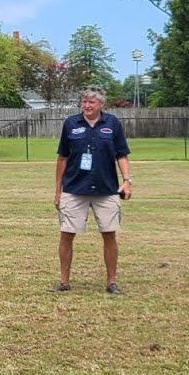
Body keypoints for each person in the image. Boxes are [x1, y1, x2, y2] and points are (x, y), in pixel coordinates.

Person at [52, 86, 131, 294]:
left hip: (106, 189)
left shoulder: (112, 124)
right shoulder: (71, 124)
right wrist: (58, 191)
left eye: (91, 102)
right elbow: (62, 158)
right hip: (74, 188)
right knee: (67, 234)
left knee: (109, 234)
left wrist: (126, 180)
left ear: (101, 105)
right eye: (84, 101)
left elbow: (122, 155)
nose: (87, 105)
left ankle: (112, 282)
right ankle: (63, 281)